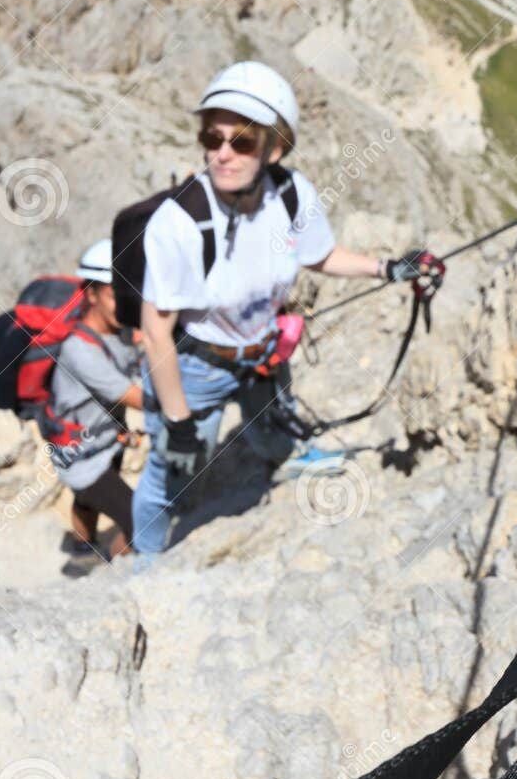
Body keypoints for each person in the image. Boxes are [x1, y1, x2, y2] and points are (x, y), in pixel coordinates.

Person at [132, 62, 435, 559]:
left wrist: (388, 268)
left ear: (274, 147)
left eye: (243, 141)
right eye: (212, 136)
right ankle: (143, 563)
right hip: (195, 367)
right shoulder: (180, 220)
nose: (222, 152)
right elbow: (155, 329)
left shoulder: (292, 196)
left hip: (263, 352)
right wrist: (179, 420)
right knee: (171, 472)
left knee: (274, 425)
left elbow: (319, 256)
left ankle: (285, 459)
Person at [48, 238, 144, 559]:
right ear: (91, 294)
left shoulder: (119, 333)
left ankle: (80, 548)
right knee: (141, 519)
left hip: (106, 440)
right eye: (112, 293)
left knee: (89, 500)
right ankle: (113, 577)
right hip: (81, 456)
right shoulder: (79, 349)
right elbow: (135, 396)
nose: (122, 302)